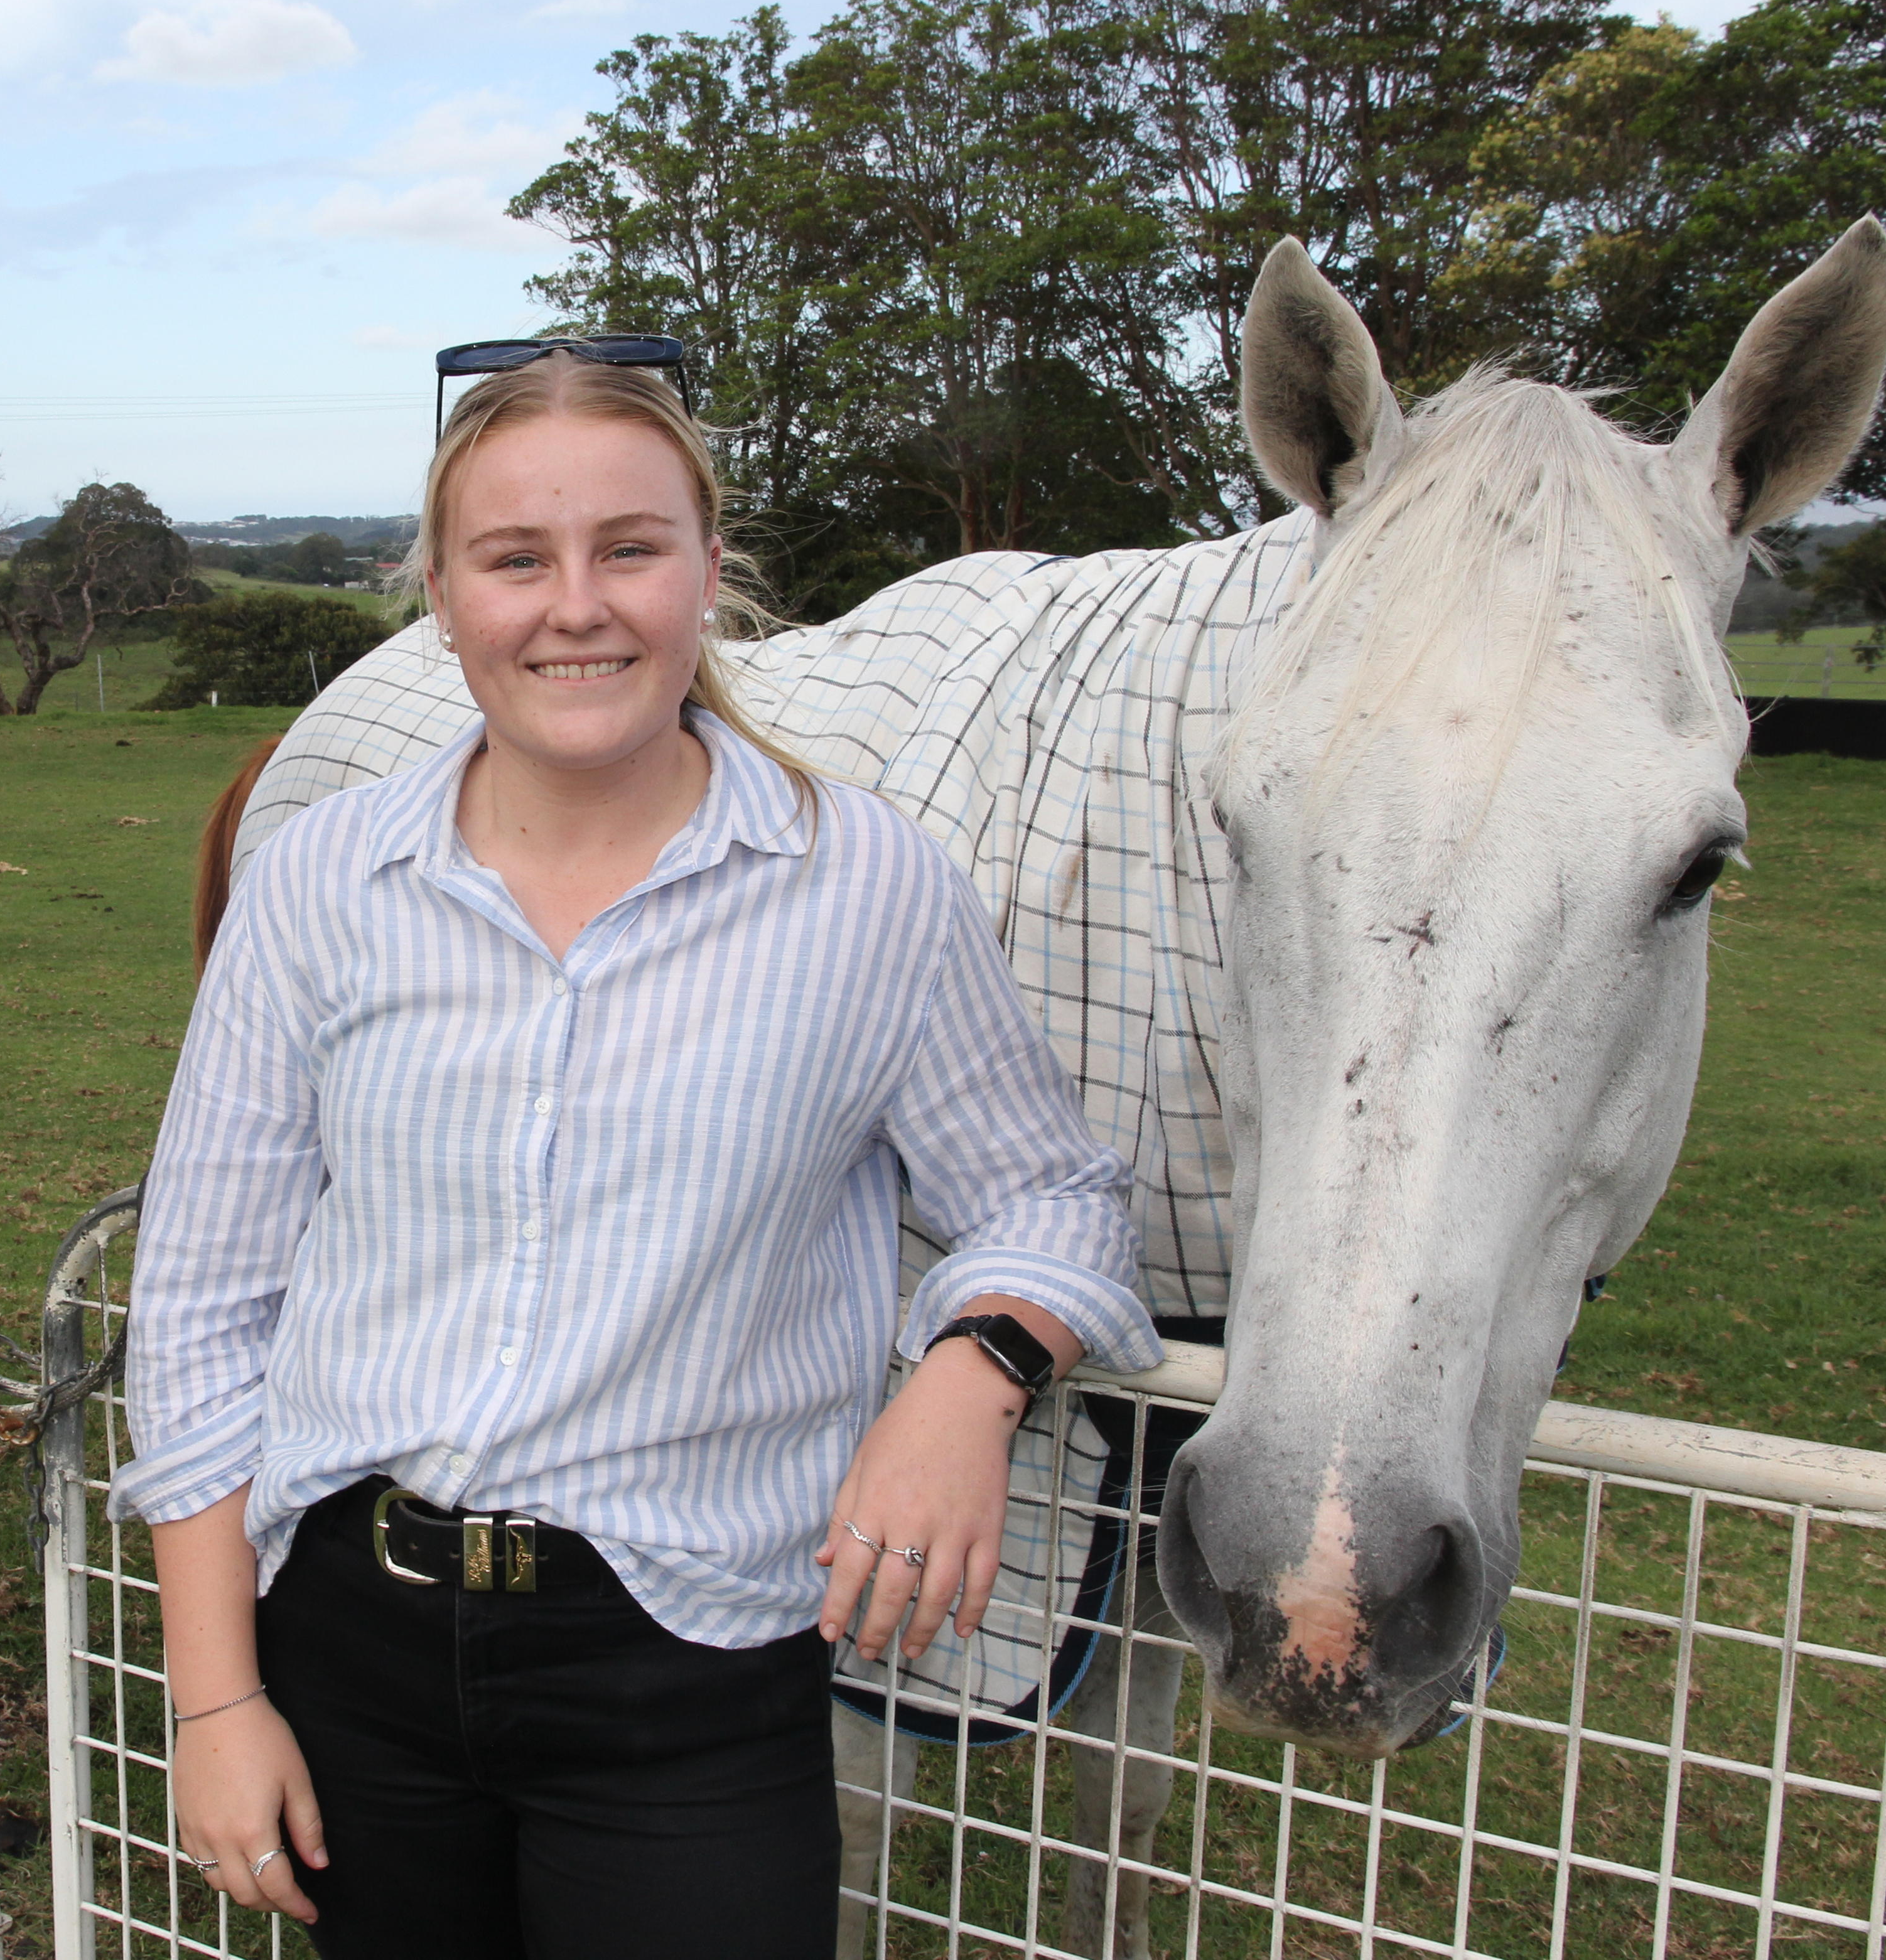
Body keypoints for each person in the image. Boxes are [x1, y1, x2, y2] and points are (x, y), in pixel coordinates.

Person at [112, 345, 1158, 1958]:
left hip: (687, 1678)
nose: (575, 605)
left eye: (630, 547)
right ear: (442, 599)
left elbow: (1050, 1192)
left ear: (708, 571)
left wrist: (972, 1370)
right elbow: (198, 1305)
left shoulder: (865, 888)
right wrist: (215, 1696)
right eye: (516, 559)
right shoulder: (320, 884)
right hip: (347, 1645)